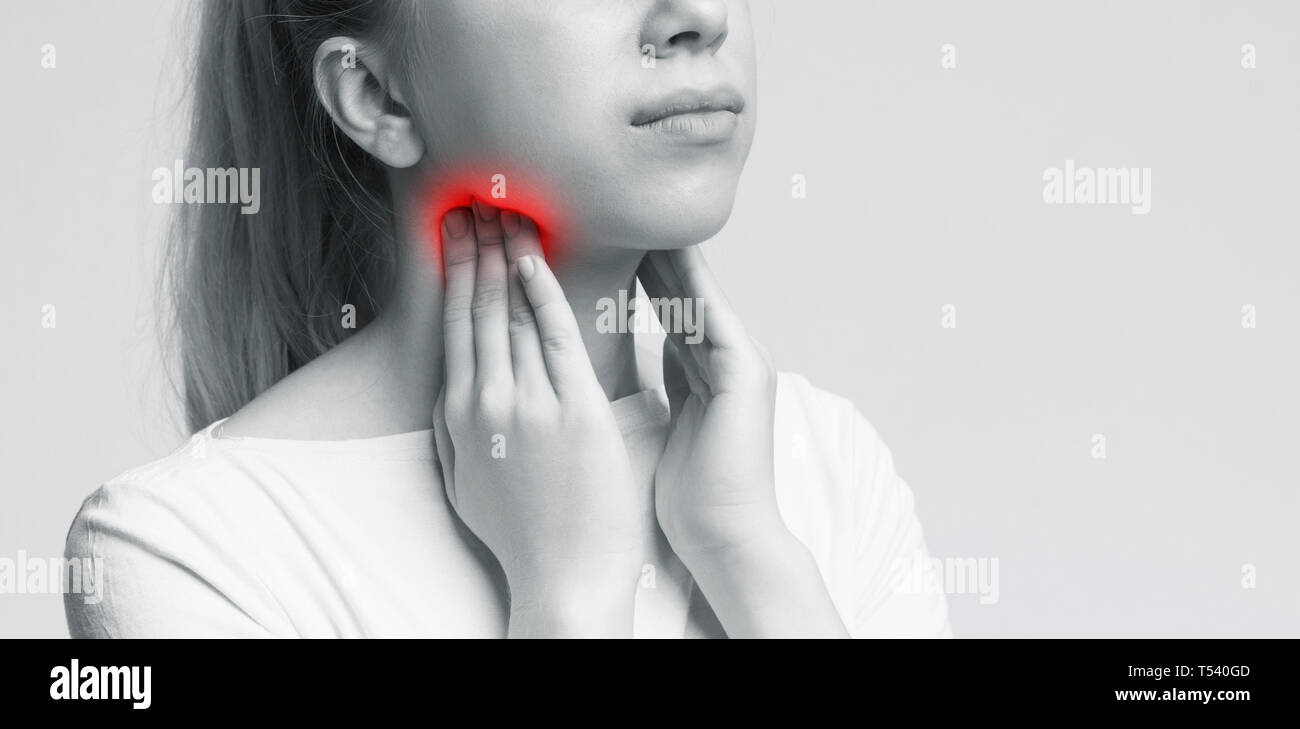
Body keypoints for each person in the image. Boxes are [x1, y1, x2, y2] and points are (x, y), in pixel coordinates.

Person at [64, 0, 950, 638]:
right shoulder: (190, 553)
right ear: (376, 95)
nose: (699, 17)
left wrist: (751, 561)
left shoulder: (822, 466)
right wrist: (567, 600)